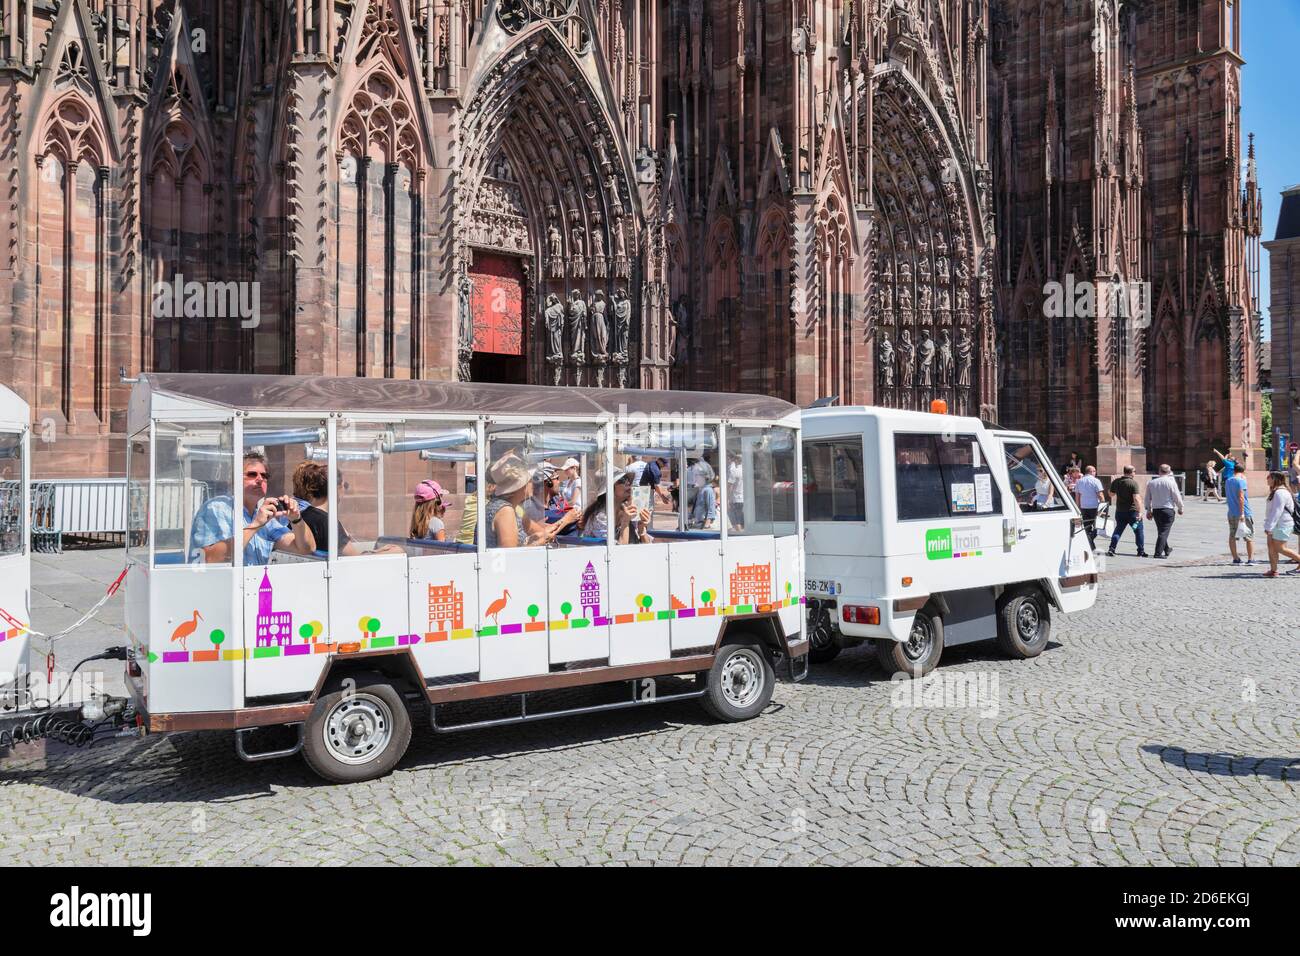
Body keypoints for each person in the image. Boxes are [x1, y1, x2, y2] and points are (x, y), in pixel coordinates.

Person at [190, 451, 316, 565]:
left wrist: (296, 520)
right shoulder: (216, 508)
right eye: (252, 474)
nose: (260, 479)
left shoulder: (264, 518)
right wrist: (256, 525)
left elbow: (306, 548)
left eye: (264, 475)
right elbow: (209, 558)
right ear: (234, 480)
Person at [294, 460, 401, 556]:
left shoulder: (302, 515)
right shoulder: (327, 522)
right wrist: (388, 551)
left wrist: (375, 552)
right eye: (345, 485)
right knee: (398, 550)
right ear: (336, 488)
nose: (345, 490)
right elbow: (355, 560)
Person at [580, 467, 651, 544]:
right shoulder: (600, 516)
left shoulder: (628, 509)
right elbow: (616, 553)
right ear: (609, 488)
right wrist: (625, 522)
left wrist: (642, 529)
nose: (628, 483)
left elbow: (648, 549)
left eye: (628, 480)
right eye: (622, 480)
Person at [485, 455, 533, 548]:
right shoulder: (505, 511)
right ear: (520, 486)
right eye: (529, 480)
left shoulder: (500, 505)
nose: (532, 483)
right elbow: (508, 555)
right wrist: (537, 543)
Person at [1261, 471, 1300, 577]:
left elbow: (1277, 511)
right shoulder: (1276, 491)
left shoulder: (1280, 492)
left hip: (1282, 524)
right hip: (1276, 524)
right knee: (1271, 547)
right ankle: (1274, 570)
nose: (1267, 479)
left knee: (1280, 548)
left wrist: (1269, 527)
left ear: (1275, 479)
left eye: (1269, 477)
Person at [1145, 463, 1184, 559]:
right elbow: (1177, 497)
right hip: (1168, 510)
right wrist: (1180, 508)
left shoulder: (1151, 483)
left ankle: (1166, 549)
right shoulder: (1171, 482)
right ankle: (1158, 553)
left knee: (1161, 531)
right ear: (1169, 471)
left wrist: (1148, 510)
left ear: (1159, 471)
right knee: (1164, 532)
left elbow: (1147, 498)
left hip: (1156, 510)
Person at [1107, 465, 1147, 557]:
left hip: (1120, 512)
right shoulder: (1133, 483)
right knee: (1138, 531)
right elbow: (1136, 498)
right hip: (1133, 513)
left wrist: (1112, 488)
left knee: (1118, 530)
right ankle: (1140, 551)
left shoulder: (1116, 482)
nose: (1135, 473)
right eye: (1134, 471)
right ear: (1131, 472)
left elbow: (1111, 494)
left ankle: (1112, 548)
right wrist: (1140, 512)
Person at [1224, 465, 1254, 566]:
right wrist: (1242, 513)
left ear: (1234, 470)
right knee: (1249, 536)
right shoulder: (1241, 481)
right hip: (1243, 512)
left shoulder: (1228, 480)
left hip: (1231, 512)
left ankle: (1235, 558)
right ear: (1243, 471)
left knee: (1232, 535)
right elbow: (1241, 497)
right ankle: (1250, 559)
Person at [1074, 465, 1105, 549]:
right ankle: (1090, 539)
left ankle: (1091, 544)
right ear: (1091, 472)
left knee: (1087, 527)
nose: (1095, 473)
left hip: (1084, 507)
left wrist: (1078, 507)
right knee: (1098, 526)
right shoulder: (1096, 481)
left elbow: (1077, 496)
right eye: (1094, 471)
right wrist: (1104, 507)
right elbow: (1100, 495)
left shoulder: (1079, 481)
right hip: (1095, 507)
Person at [726, 451, 745, 531]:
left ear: (736, 461)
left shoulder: (735, 471)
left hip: (736, 498)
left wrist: (727, 499)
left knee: (736, 519)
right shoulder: (747, 471)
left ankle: (739, 533)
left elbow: (729, 486)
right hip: (745, 498)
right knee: (742, 517)